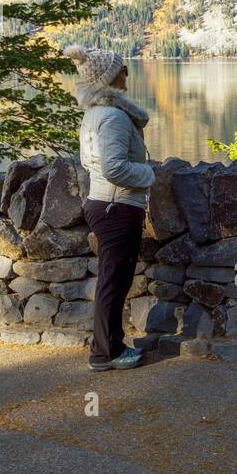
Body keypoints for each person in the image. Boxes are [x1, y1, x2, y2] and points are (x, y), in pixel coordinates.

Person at [64, 45, 155, 372]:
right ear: (107, 77)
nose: (127, 72)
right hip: (116, 206)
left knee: (112, 280)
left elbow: (94, 165)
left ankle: (109, 344)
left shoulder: (95, 114)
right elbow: (114, 167)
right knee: (113, 282)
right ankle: (104, 354)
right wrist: (149, 174)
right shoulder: (114, 117)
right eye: (121, 68)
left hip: (104, 203)